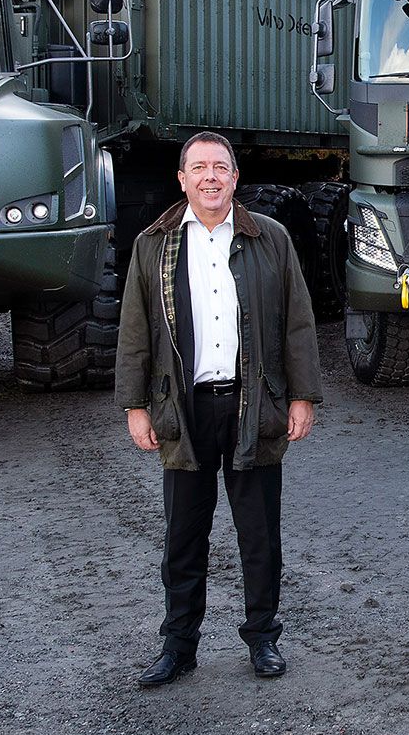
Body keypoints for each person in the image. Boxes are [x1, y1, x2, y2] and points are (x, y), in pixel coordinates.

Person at [115, 131, 322, 686]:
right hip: (183, 411)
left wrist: (302, 395)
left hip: (253, 406)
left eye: (221, 167)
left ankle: (262, 640)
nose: (210, 176)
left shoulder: (271, 239)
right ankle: (179, 645)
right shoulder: (152, 245)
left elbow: (297, 323)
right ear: (181, 179)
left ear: (235, 178)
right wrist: (136, 406)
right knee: (184, 534)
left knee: (259, 534)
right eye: (198, 167)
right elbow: (135, 333)